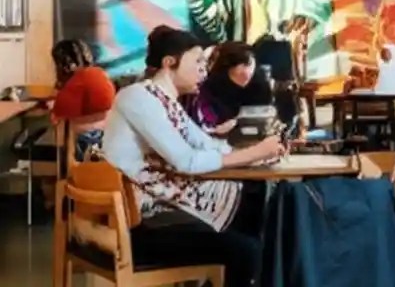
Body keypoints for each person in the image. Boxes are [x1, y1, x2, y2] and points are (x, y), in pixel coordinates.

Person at [102, 26, 287, 287]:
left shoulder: (166, 101)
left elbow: (205, 143)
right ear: (169, 63)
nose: (204, 69)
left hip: (160, 209)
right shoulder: (138, 97)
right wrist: (254, 153)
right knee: (249, 241)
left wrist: (256, 156)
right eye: (197, 61)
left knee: (258, 202)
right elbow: (186, 161)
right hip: (141, 222)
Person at [183, 41, 271, 133]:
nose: (247, 75)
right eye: (246, 64)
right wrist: (215, 131)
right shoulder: (199, 79)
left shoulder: (253, 83)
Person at [50, 38, 116, 159]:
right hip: (104, 140)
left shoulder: (75, 84)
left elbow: (59, 122)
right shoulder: (99, 74)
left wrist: (52, 108)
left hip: (80, 146)